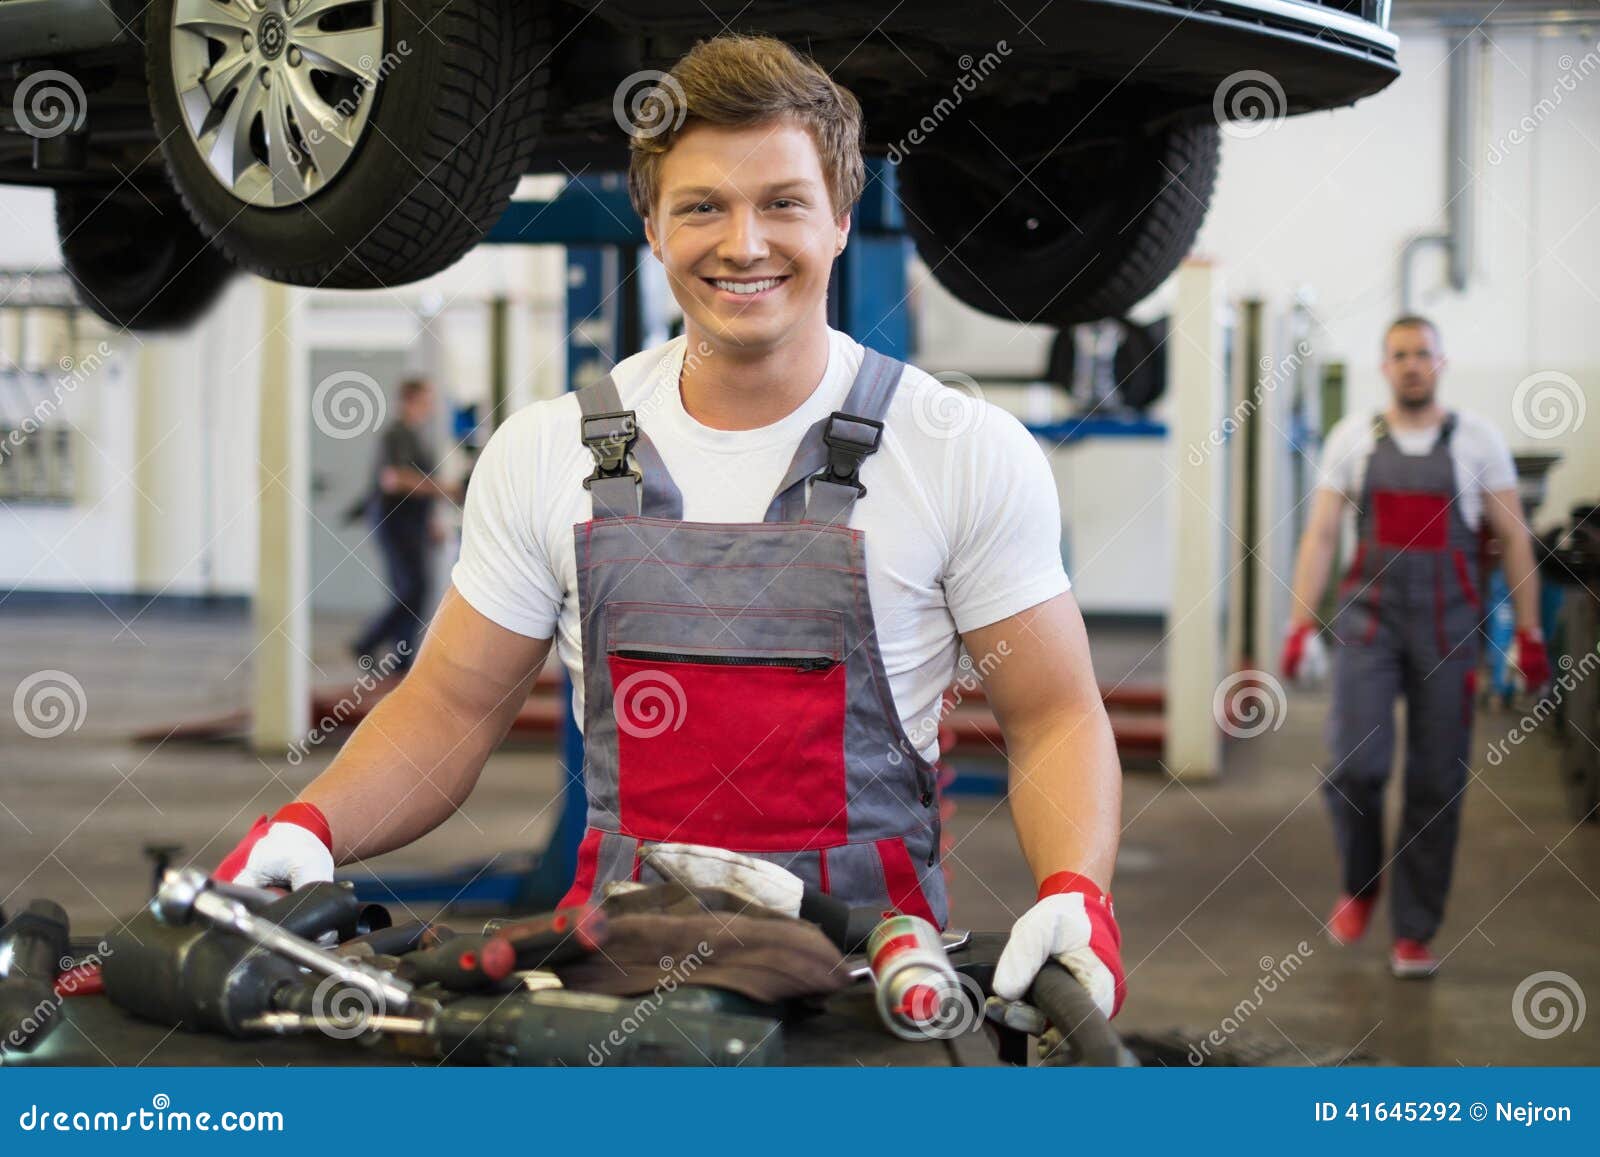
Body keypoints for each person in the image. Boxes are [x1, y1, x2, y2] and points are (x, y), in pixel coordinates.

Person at [217, 35, 1127, 1018]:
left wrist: (1076, 890)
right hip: (607, 992)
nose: (742, 243)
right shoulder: (546, 449)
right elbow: (449, 708)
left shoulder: (961, 448)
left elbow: (1055, 714)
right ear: (652, 225)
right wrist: (311, 827)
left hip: (870, 998)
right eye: (702, 206)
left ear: (838, 221)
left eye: (781, 201)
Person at [1281, 316, 1551, 978]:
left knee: (1435, 781)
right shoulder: (1354, 440)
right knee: (1357, 767)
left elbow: (1514, 539)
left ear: (1441, 362)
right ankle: (1360, 880)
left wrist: (1531, 631)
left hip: (1448, 631)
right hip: (1368, 626)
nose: (1411, 365)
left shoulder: (1478, 442)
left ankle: (1414, 929)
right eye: (1399, 354)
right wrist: (1298, 625)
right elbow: (1319, 537)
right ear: (1384, 366)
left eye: (1422, 354)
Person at [350, 377, 456, 671]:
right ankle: (368, 642)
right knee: (411, 589)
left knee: (415, 590)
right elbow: (394, 478)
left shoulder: (416, 436)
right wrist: (442, 488)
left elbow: (418, 480)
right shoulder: (395, 434)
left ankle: (402, 662)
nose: (430, 407)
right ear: (409, 400)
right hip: (393, 521)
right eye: (425, 401)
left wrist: (433, 518)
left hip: (414, 523)